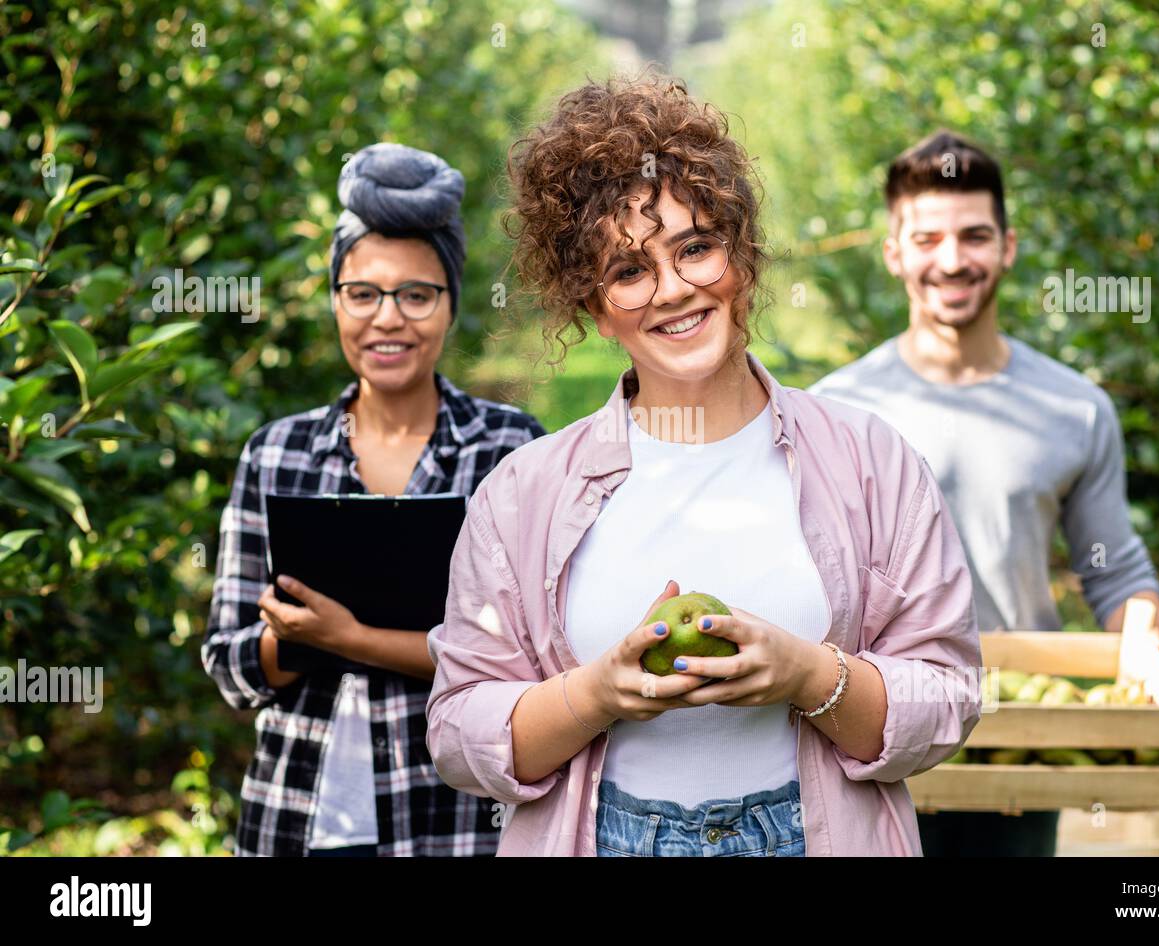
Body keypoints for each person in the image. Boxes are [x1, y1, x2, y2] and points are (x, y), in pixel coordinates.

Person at [424, 76, 981, 857]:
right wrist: (595, 694)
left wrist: (810, 677)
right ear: (593, 305)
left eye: (695, 248)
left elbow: (949, 696)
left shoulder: (872, 462)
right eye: (629, 271)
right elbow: (456, 730)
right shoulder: (522, 496)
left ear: (741, 253)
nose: (674, 289)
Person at [809, 130, 1159, 856]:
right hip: (863, 744)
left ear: (1007, 246)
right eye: (928, 238)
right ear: (894, 253)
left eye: (974, 236)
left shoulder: (1073, 409)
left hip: (1018, 747)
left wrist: (1148, 635)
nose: (952, 260)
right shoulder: (835, 410)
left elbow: (1117, 572)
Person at [202, 143, 546, 857]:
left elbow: (532, 663)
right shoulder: (278, 454)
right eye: (362, 293)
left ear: (451, 304)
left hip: (450, 823)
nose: (387, 319)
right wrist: (287, 636)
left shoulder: (510, 452)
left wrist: (346, 638)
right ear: (336, 301)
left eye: (416, 294)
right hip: (295, 816)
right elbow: (230, 667)